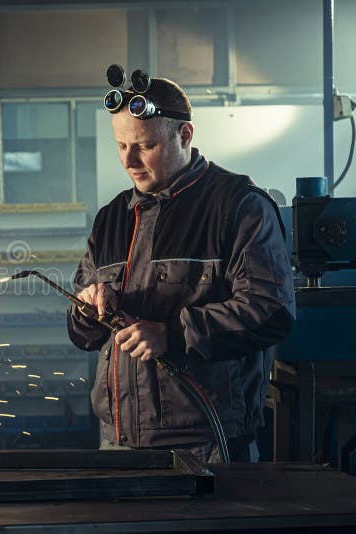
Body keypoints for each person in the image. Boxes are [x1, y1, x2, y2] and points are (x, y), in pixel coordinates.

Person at [67, 75, 296, 463]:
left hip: (207, 446)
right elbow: (80, 333)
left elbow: (270, 310)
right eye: (121, 145)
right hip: (116, 444)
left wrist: (173, 334)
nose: (128, 160)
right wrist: (88, 307)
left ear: (185, 135)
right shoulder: (111, 219)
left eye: (145, 145)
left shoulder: (237, 207)